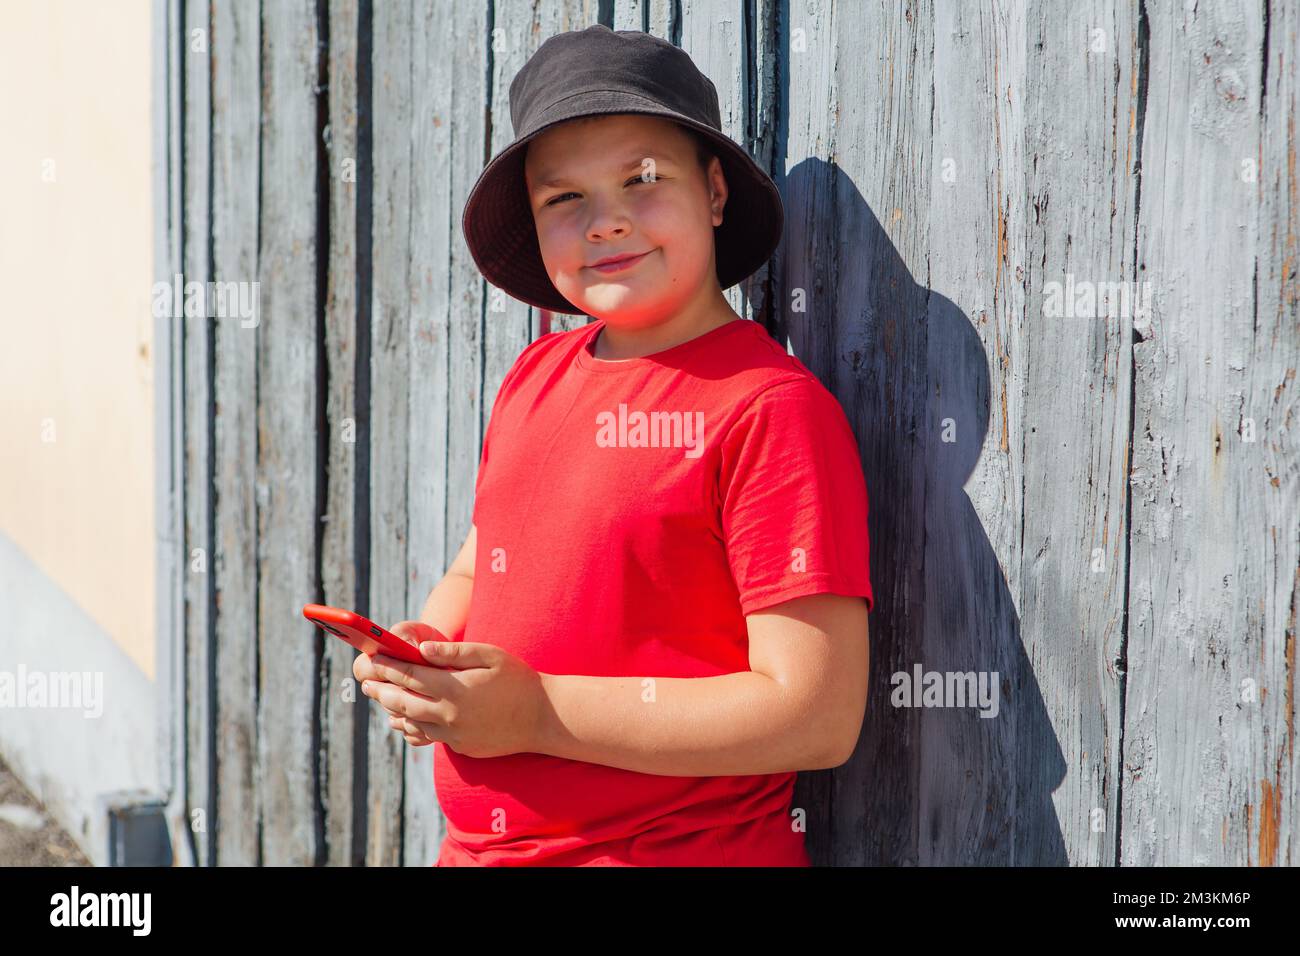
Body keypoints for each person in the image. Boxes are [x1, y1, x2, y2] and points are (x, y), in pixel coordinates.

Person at [354, 24, 874, 866]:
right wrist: (426, 660)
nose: (607, 222)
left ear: (713, 192)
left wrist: (534, 713)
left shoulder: (767, 411)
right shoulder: (535, 375)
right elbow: (480, 560)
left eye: (642, 179)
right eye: (565, 199)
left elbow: (814, 716)